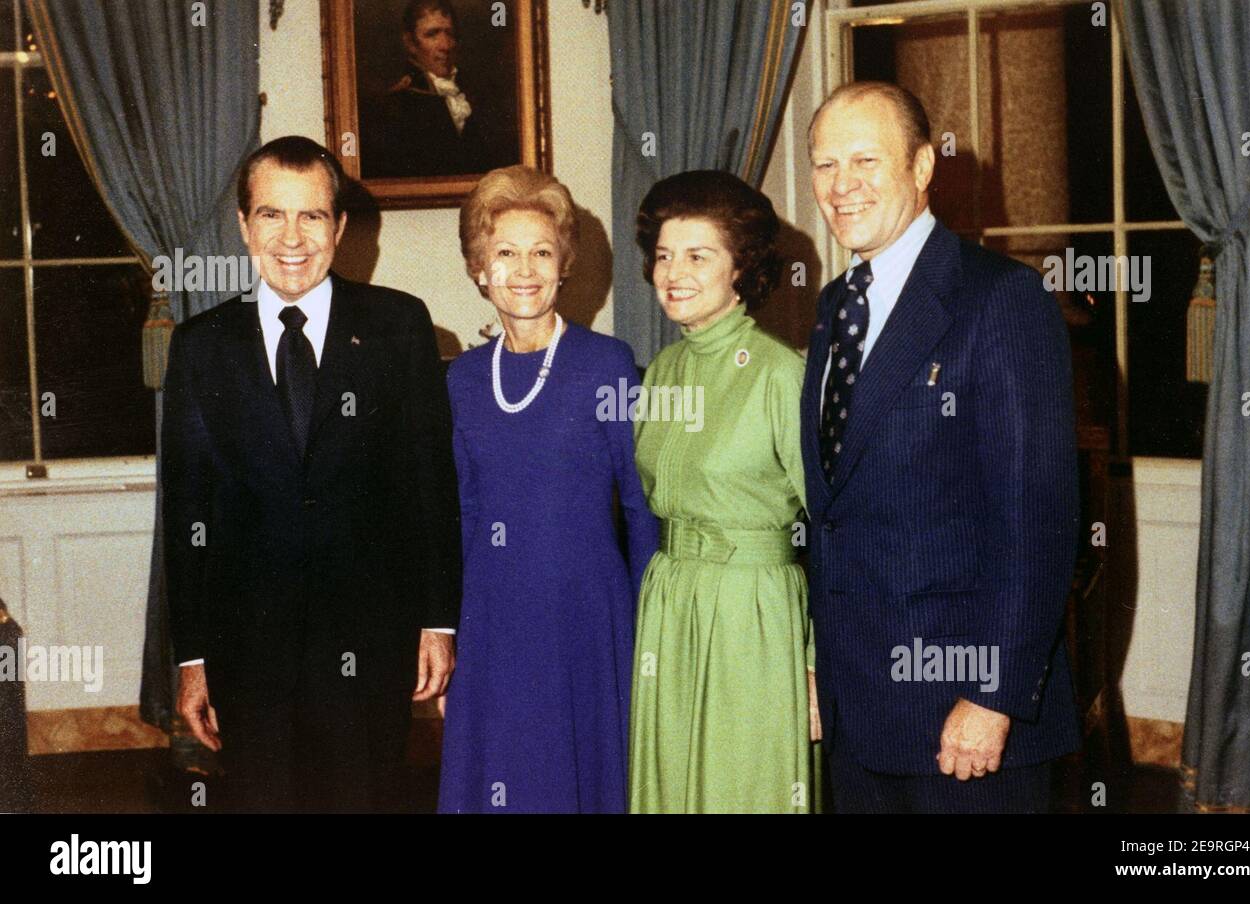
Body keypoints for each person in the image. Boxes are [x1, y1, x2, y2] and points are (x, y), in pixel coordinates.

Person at [802, 82, 1080, 814]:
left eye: (865, 160)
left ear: (922, 166)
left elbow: (1038, 521)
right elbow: (836, 512)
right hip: (857, 710)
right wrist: (820, 670)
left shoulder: (1001, 300)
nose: (842, 187)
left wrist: (993, 696)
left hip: (963, 715)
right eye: (824, 165)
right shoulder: (833, 308)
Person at [162, 135, 462, 812]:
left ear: (341, 227)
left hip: (371, 641)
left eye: (313, 216)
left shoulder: (398, 327)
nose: (292, 237)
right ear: (243, 226)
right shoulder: (201, 347)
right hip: (248, 648)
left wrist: (437, 620)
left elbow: (429, 486)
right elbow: (187, 513)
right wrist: (191, 659)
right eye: (272, 214)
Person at [436, 165, 658, 813]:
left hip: (591, 620)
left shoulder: (607, 365)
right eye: (504, 252)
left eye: (541, 252)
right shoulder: (463, 381)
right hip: (494, 622)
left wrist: (650, 639)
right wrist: (452, 642)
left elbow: (642, 514)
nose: (524, 269)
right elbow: (464, 517)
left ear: (564, 266)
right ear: (479, 268)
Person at [628, 170, 818, 813]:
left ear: (741, 267)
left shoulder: (781, 373)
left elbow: (835, 529)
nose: (672, 272)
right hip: (671, 602)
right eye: (663, 255)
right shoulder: (661, 369)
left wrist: (818, 666)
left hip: (753, 613)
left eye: (697, 255)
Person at [361, 0, 507, 179]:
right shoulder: (395, 105)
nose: (445, 45)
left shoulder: (474, 94)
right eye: (432, 34)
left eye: (450, 34)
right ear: (410, 43)